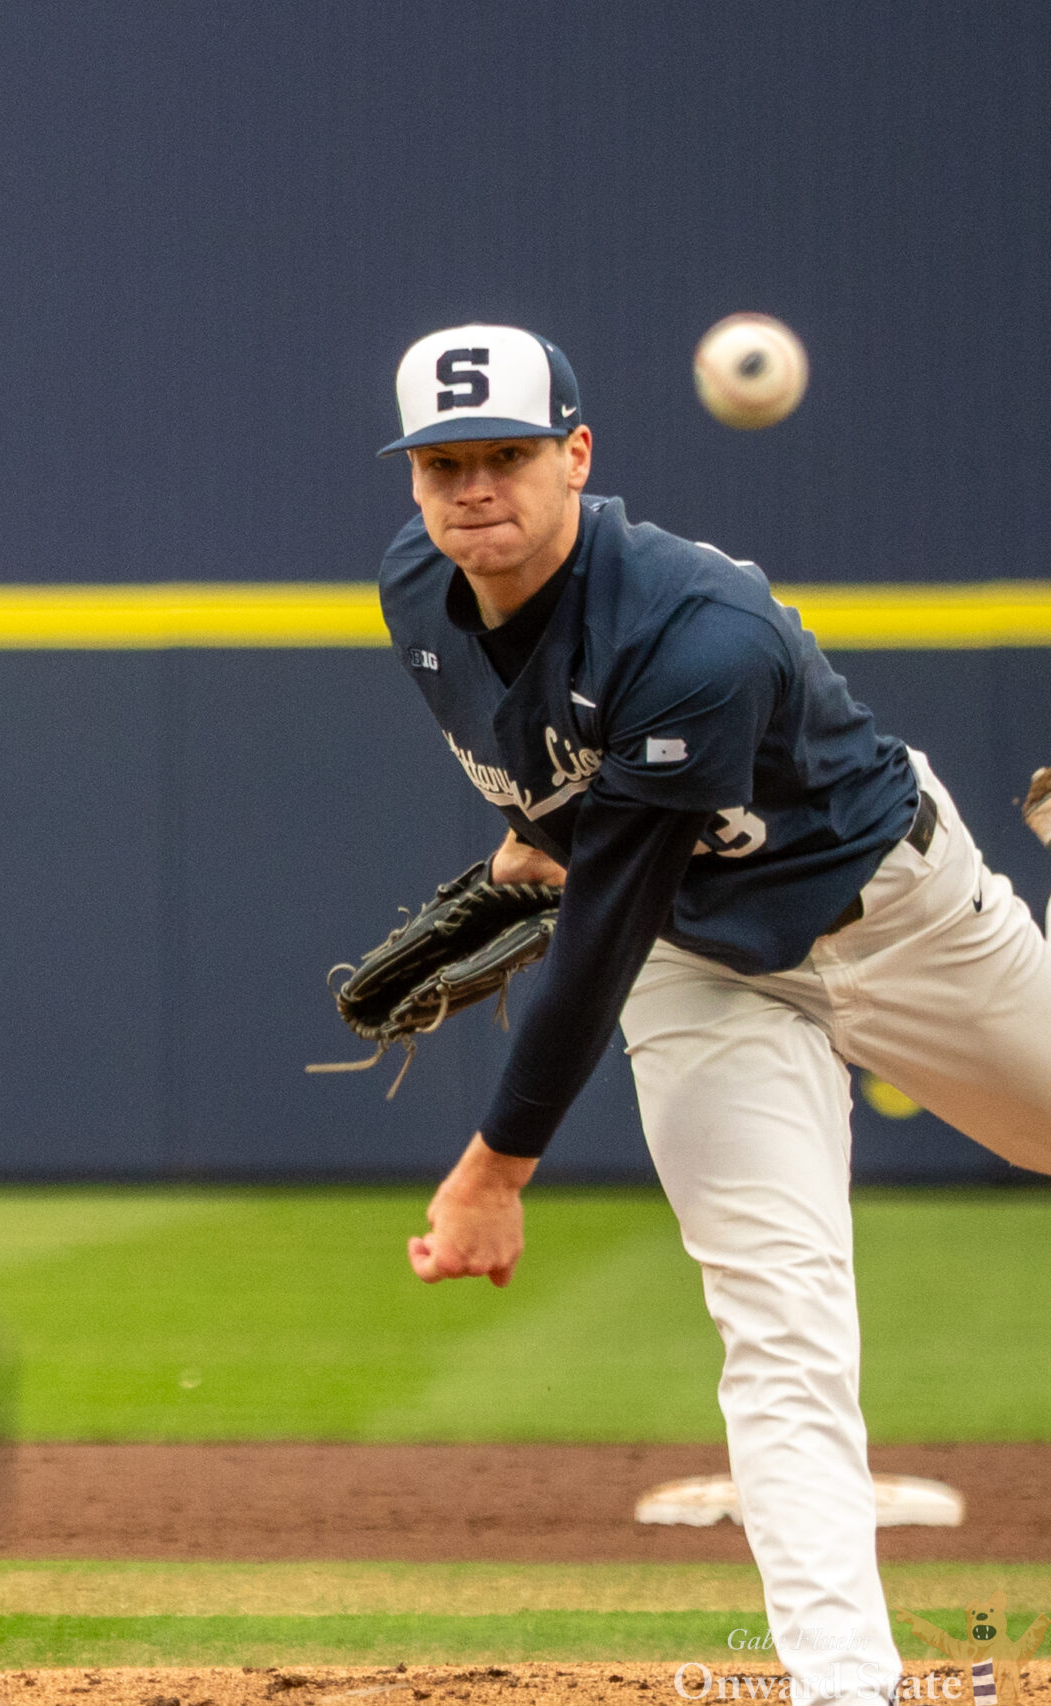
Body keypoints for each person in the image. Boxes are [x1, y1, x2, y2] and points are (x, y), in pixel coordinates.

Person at [370, 323, 1051, 1706]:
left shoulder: (699, 631)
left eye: (504, 454)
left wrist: (496, 1165)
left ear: (577, 454)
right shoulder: (416, 593)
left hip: (899, 914)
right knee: (778, 1321)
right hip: (708, 963)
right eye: (443, 463)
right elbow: (587, 833)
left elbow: (605, 918)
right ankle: (843, 1686)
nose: (472, 488)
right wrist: (539, 837)